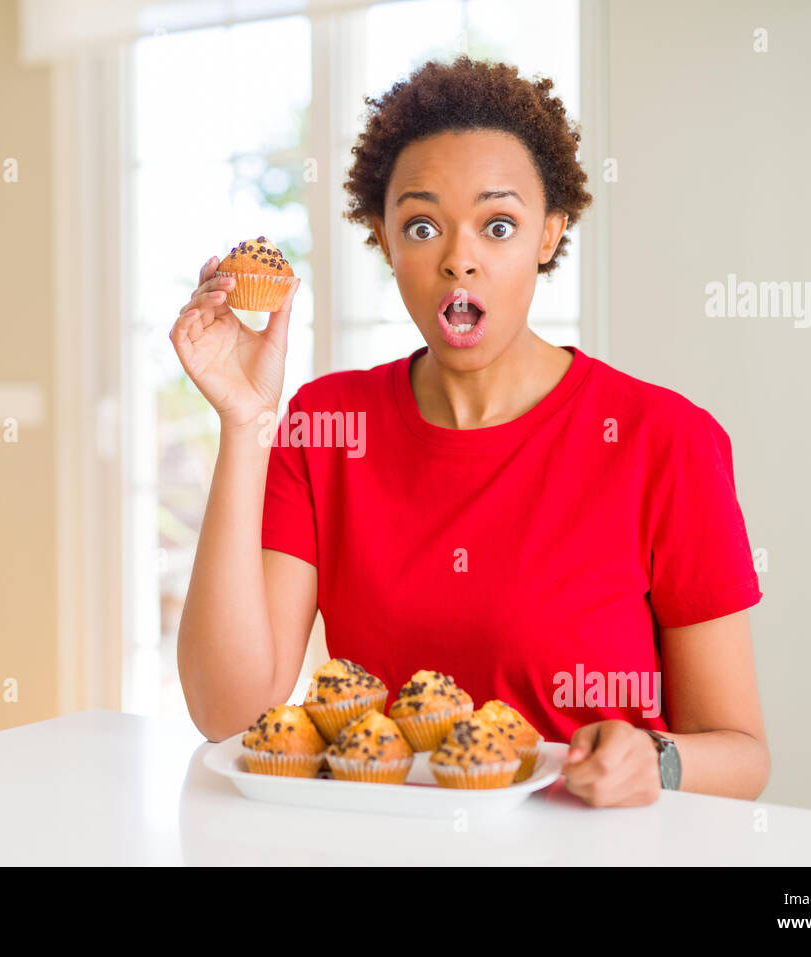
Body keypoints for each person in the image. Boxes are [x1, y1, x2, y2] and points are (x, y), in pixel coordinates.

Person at [170, 56, 768, 807]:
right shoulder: (326, 429)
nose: (459, 259)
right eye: (422, 227)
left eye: (499, 225)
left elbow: (743, 757)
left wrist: (656, 761)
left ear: (549, 233)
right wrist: (245, 422)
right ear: (385, 240)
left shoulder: (666, 440)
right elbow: (227, 712)